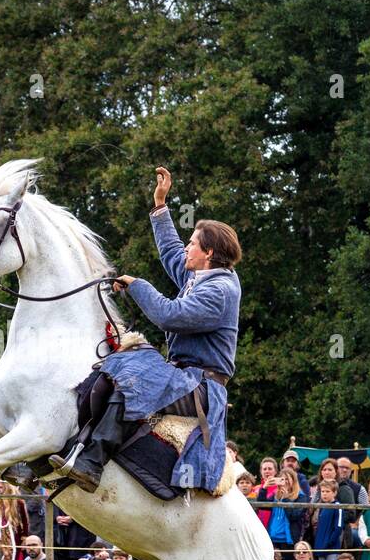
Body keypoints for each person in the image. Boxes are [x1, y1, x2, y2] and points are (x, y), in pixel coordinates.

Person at [50, 166, 241, 495]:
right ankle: (74, 447)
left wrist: (138, 286)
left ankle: (92, 462)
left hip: (201, 386)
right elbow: (170, 252)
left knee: (135, 379)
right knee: (115, 368)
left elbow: (169, 315)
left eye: (192, 244)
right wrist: (160, 206)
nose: (186, 248)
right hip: (184, 378)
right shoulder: (202, 278)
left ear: (208, 253)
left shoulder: (220, 291)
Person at [310, 481, 346, 560]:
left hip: (332, 548)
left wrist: (330, 542)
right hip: (320, 548)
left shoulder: (337, 506)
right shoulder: (322, 507)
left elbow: (338, 527)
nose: (324, 494)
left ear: (334, 493)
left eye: (327, 491)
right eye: (322, 491)